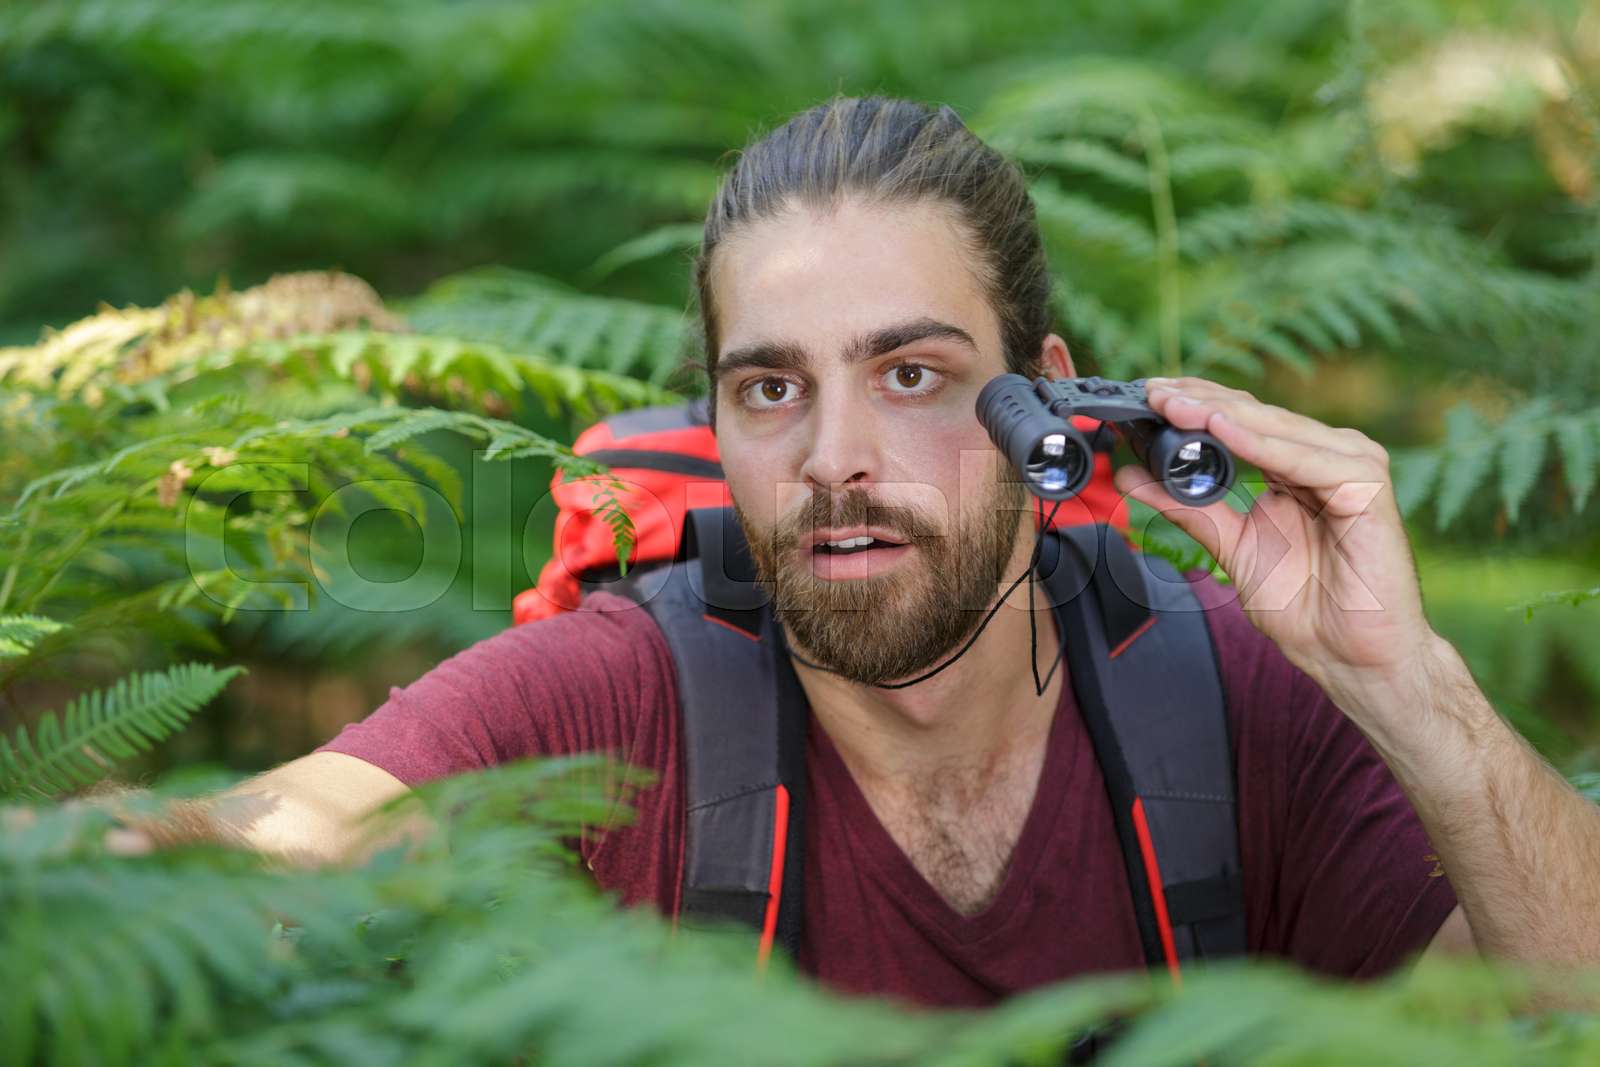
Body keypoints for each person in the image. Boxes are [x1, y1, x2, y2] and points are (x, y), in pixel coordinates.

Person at [156, 95, 1600, 1008]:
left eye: (910, 374)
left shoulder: (1226, 713)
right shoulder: (614, 704)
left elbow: (1558, 1014)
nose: (833, 455)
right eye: (770, 388)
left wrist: (1405, 681)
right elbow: (264, 848)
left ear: (1045, 387)